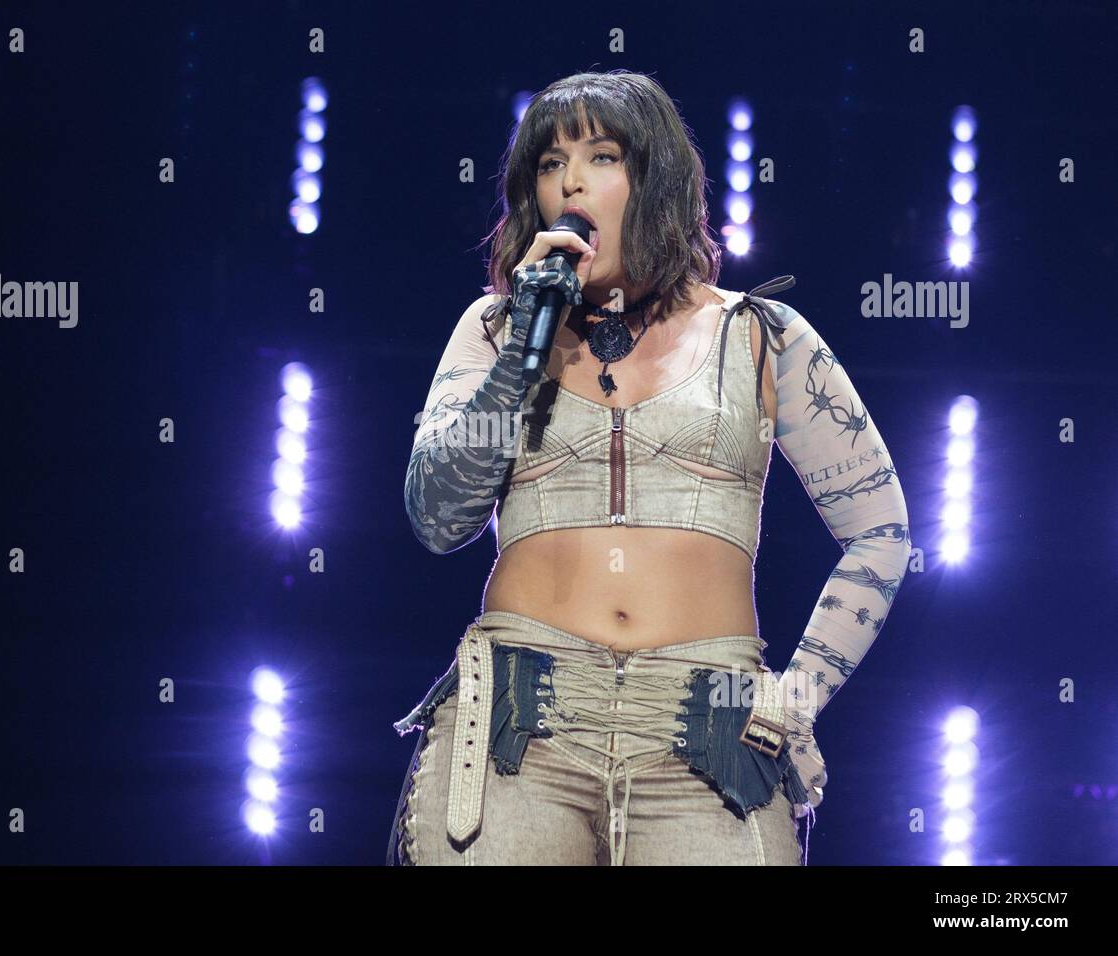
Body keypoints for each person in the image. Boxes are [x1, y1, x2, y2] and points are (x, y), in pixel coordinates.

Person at [387, 70, 911, 866]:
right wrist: (525, 343)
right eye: (549, 161)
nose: (569, 179)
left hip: (710, 729)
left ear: (656, 179)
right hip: (520, 724)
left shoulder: (762, 335)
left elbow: (881, 530)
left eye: (602, 156)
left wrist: (795, 700)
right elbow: (437, 518)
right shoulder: (495, 330)